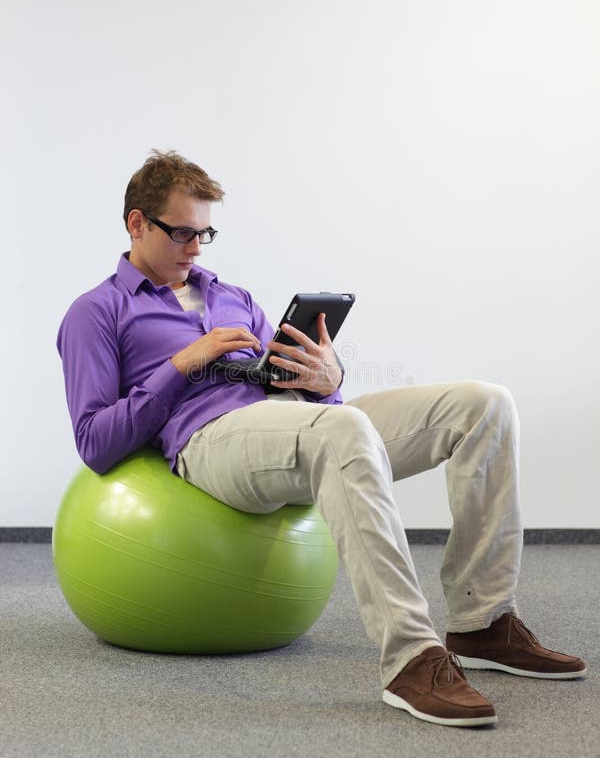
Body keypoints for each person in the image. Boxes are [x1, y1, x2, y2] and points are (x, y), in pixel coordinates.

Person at [57, 150, 586, 728]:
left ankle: (482, 622)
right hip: (209, 441)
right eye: (182, 232)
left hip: (290, 421)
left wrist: (327, 381)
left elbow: (317, 407)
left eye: (205, 233)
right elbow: (94, 440)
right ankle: (411, 658)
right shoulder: (97, 312)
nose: (197, 248)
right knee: (342, 429)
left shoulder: (233, 297)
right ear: (137, 223)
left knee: (484, 404)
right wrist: (181, 365)